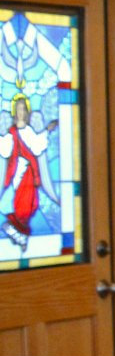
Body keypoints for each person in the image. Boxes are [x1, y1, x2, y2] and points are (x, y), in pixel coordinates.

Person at [3, 94, 47, 249]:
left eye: (23, 109)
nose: (21, 112)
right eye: (18, 109)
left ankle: (18, 233)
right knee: (19, 204)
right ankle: (17, 232)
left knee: (31, 204)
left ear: (27, 112)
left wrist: (47, 131)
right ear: (14, 112)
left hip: (29, 173)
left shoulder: (28, 131)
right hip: (18, 173)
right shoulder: (12, 133)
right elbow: (5, 148)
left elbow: (37, 145)